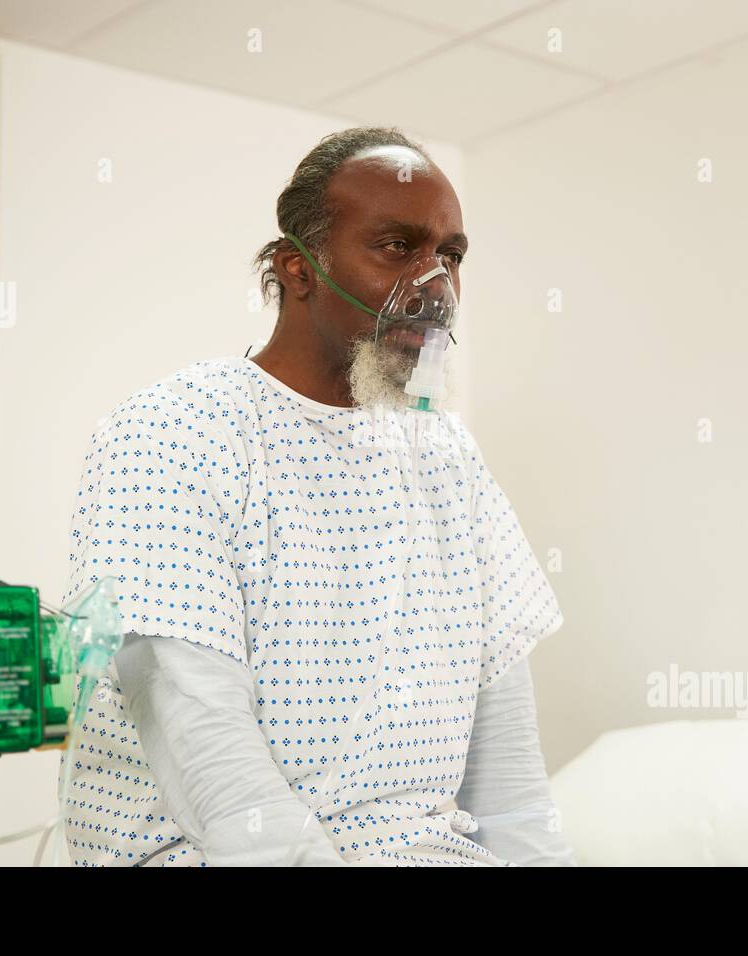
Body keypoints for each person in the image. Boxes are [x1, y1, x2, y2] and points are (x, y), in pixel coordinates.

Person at [61, 126, 573, 867]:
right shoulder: (177, 432)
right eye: (398, 247)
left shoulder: (446, 460)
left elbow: (512, 790)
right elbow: (216, 771)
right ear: (296, 270)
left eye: (450, 256)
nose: (436, 290)